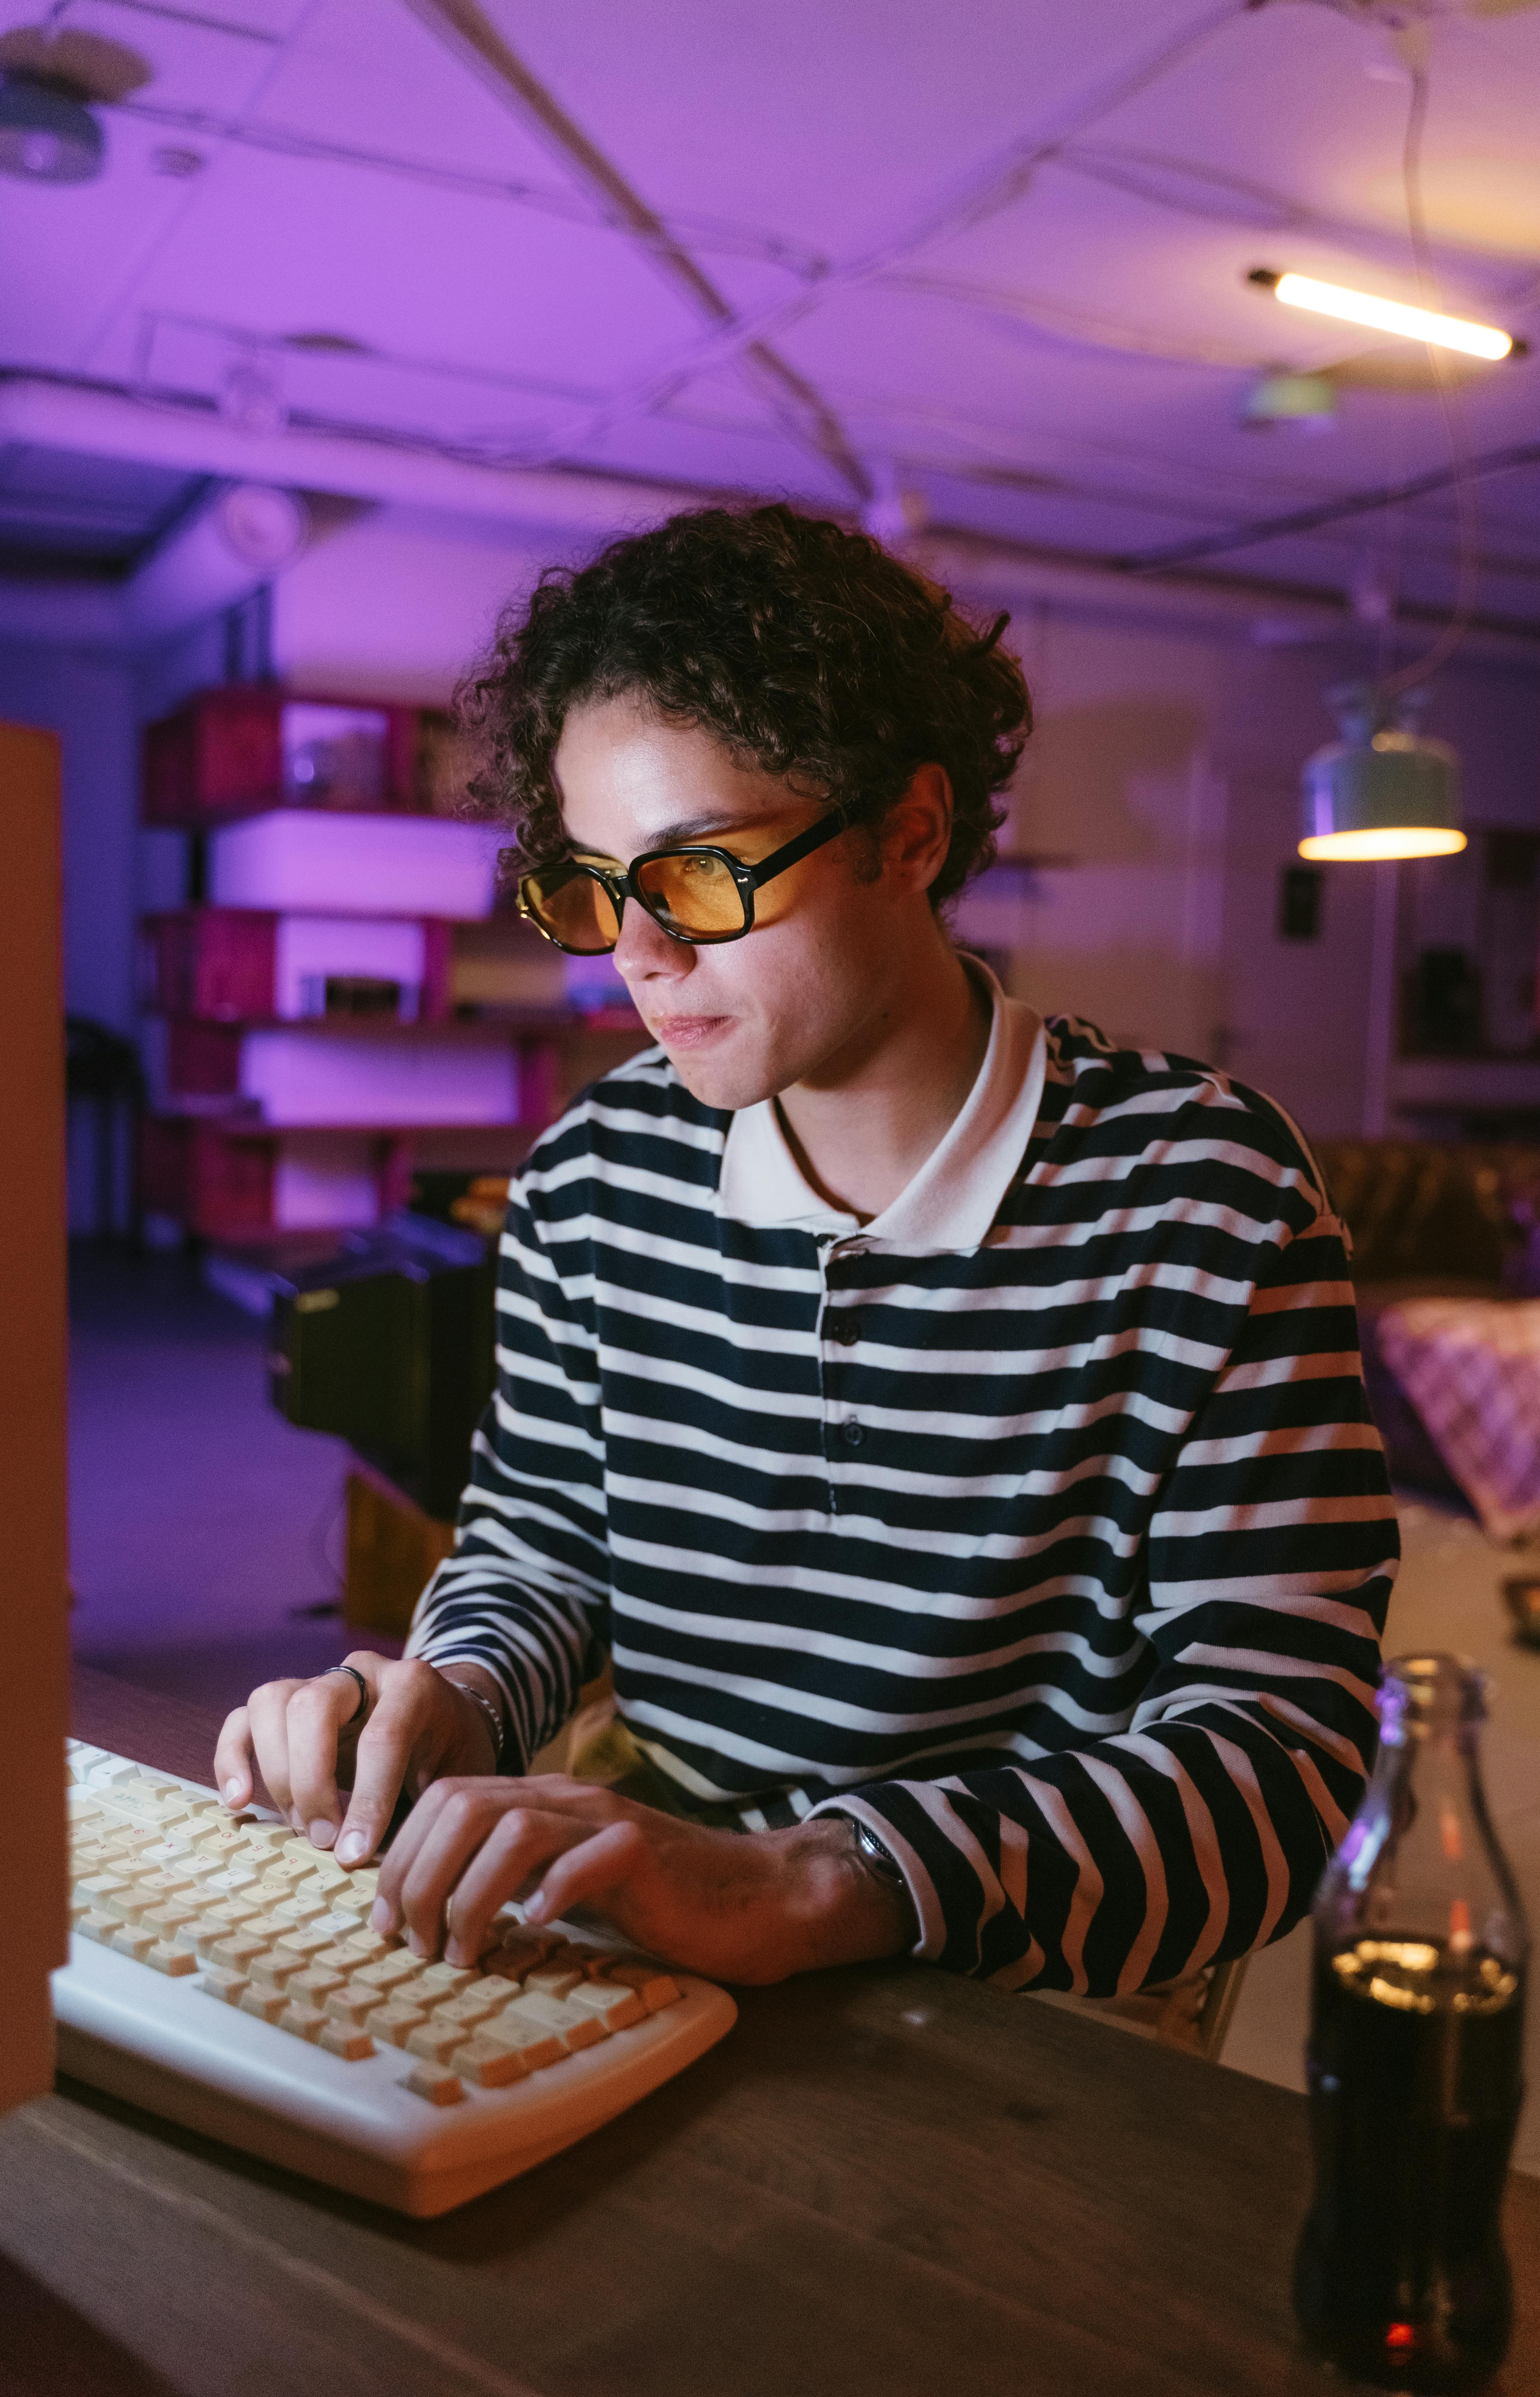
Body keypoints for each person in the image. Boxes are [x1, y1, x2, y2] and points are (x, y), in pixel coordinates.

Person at [217, 504, 1397, 1993]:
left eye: (699, 870)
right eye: (593, 883)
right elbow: (542, 1545)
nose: (639, 956)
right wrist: (451, 1697)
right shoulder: (594, 1176)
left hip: (1017, 1986)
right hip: (642, 1902)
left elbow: (1274, 1764)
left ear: (908, 832)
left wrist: (815, 1879)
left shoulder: (1207, 1196)